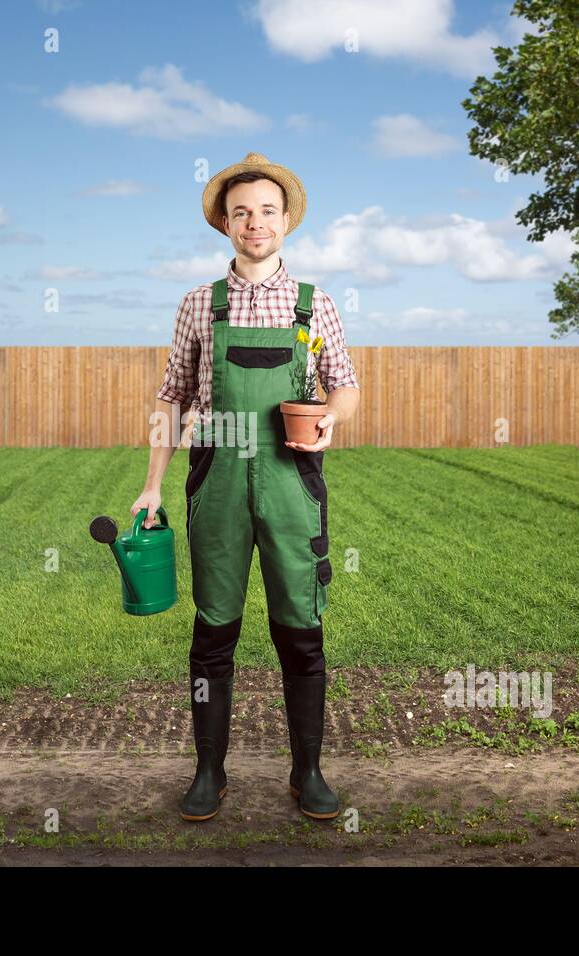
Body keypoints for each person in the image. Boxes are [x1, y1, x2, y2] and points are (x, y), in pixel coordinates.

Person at [131, 152, 361, 821]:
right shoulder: (200, 304)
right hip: (218, 482)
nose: (254, 223)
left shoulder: (315, 303)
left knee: (301, 631)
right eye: (241, 213)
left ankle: (308, 771)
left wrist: (328, 422)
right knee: (214, 633)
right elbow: (171, 399)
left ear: (285, 220)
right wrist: (153, 486)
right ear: (225, 224)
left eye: (266, 211)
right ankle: (209, 771)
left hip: (293, 484)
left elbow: (344, 388)